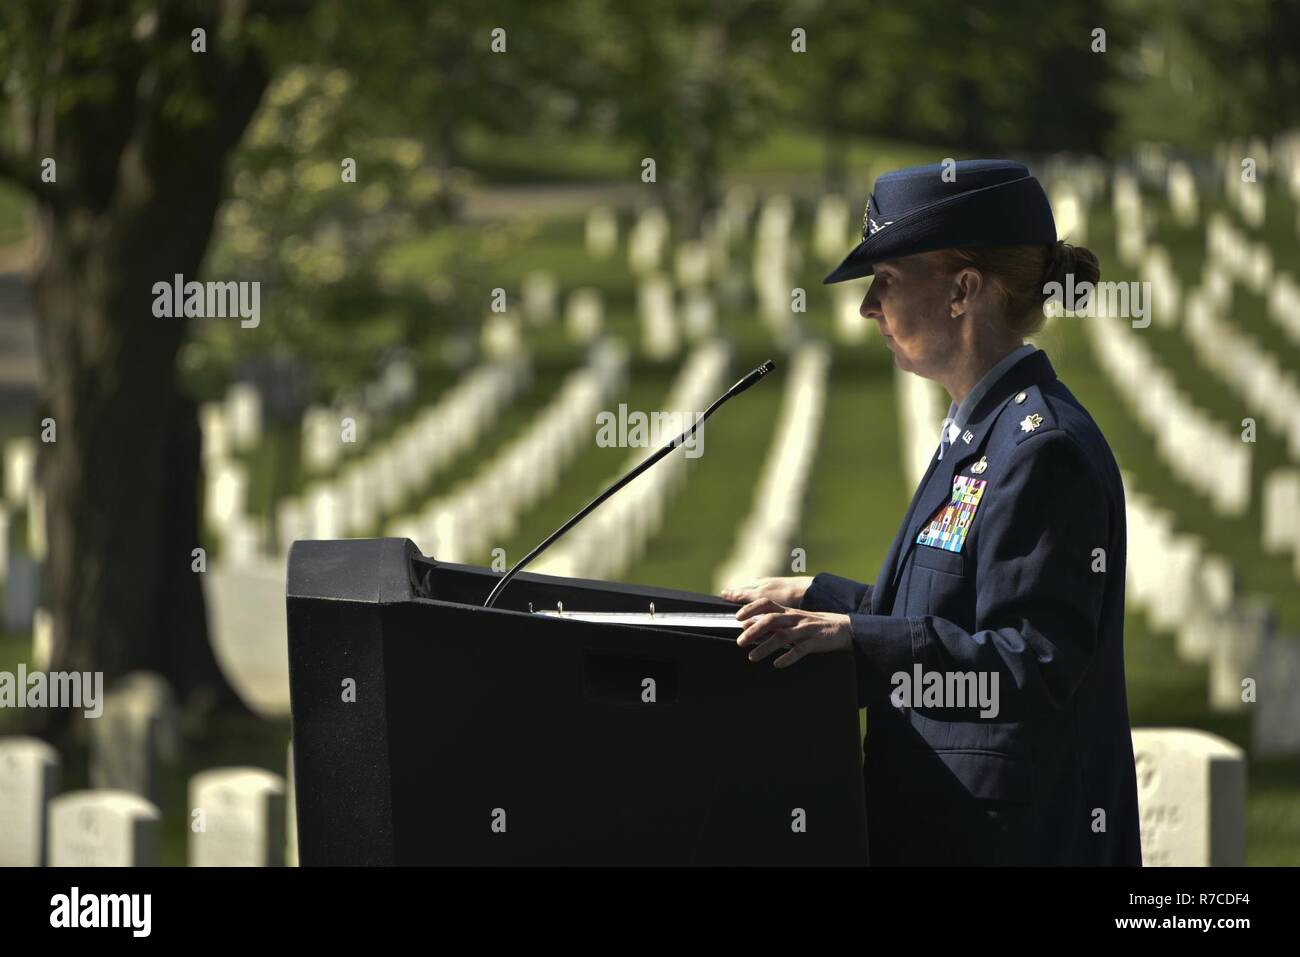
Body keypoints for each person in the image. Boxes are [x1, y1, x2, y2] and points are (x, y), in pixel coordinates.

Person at [723, 160, 1142, 866]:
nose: (867, 307)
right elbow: (953, 616)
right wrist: (822, 603)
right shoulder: (981, 434)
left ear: (963, 290)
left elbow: (1030, 664)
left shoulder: (1043, 451)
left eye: (885, 280)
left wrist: (857, 639)